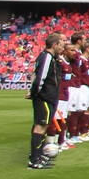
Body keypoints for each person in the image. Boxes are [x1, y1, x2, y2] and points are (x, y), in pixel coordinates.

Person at [26, 33, 63, 169]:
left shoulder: (51, 57)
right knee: (40, 126)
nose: (62, 47)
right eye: (61, 44)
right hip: (44, 97)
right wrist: (34, 93)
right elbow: (40, 77)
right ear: (54, 45)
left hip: (48, 97)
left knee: (44, 126)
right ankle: (34, 159)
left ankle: (38, 155)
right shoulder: (47, 57)